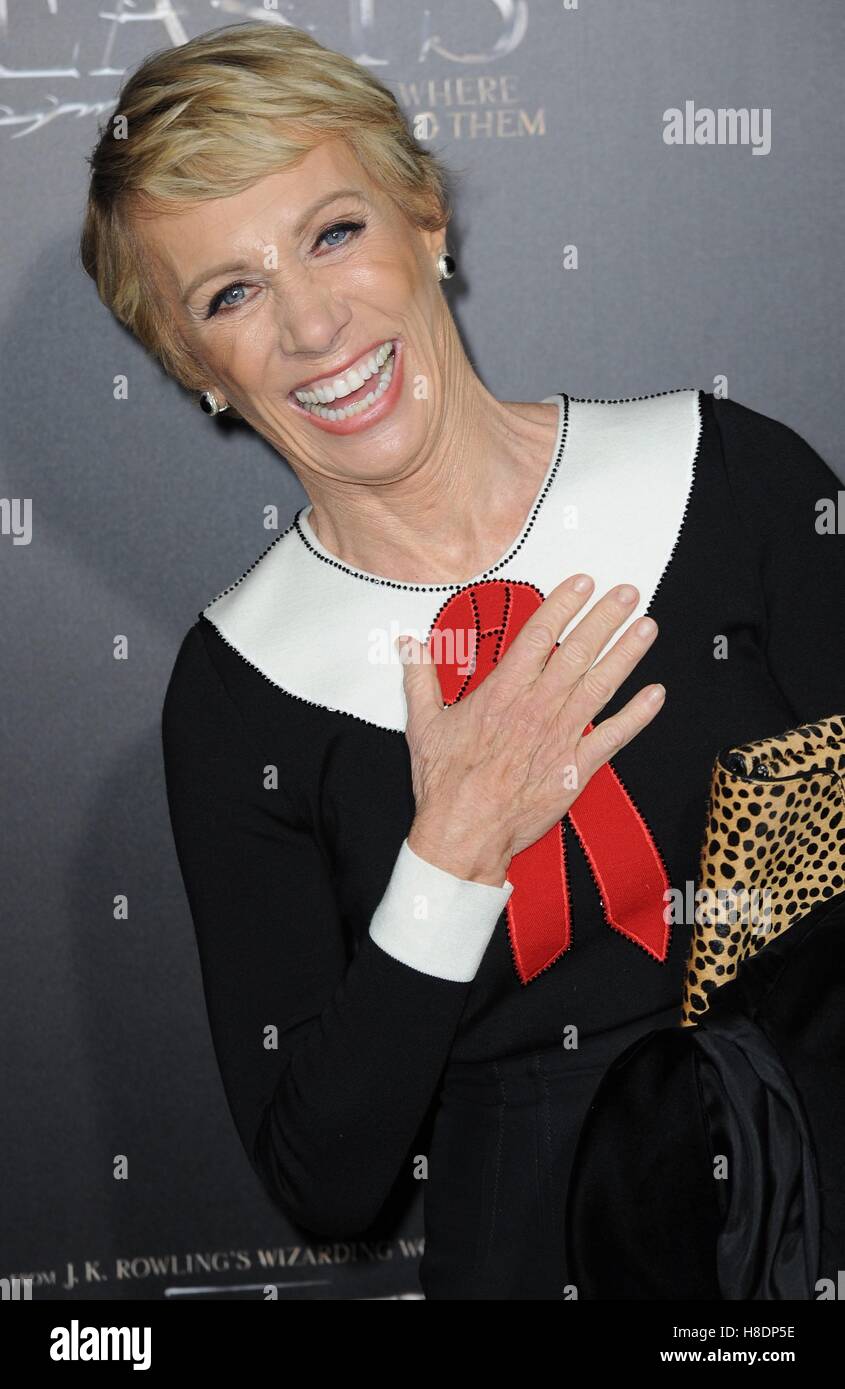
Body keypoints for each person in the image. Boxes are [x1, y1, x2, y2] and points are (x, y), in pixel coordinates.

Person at [79, 20, 845, 1299]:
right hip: (534, 1255)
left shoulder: (737, 478)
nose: (314, 323)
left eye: (333, 232)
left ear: (424, 217)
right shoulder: (234, 694)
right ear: (190, 367)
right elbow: (328, 1187)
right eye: (230, 292)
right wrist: (452, 851)